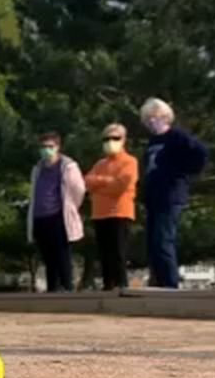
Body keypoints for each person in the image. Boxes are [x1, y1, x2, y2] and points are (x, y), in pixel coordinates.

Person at [140, 97, 208, 289]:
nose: (151, 121)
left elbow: (200, 152)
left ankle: (171, 285)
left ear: (165, 117)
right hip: (154, 197)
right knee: (153, 244)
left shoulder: (176, 136)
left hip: (171, 196)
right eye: (147, 119)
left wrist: (185, 174)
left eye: (154, 117)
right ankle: (159, 282)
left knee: (163, 241)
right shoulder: (152, 142)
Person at [26, 132, 86, 292]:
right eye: (43, 147)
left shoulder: (67, 166)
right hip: (40, 217)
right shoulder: (37, 168)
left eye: (50, 147)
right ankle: (52, 290)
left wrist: (71, 208)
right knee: (48, 258)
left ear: (58, 147)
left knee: (62, 256)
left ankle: (67, 288)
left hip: (58, 216)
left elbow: (79, 189)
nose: (46, 150)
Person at [84, 123, 140, 290]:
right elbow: (87, 182)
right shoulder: (100, 164)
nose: (110, 141)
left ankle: (122, 284)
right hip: (100, 214)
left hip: (120, 212)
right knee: (104, 253)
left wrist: (99, 185)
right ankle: (108, 284)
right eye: (106, 138)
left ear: (124, 140)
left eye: (115, 138)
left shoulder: (130, 161)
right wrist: (107, 181)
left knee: (118, 252)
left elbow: (121, 186)